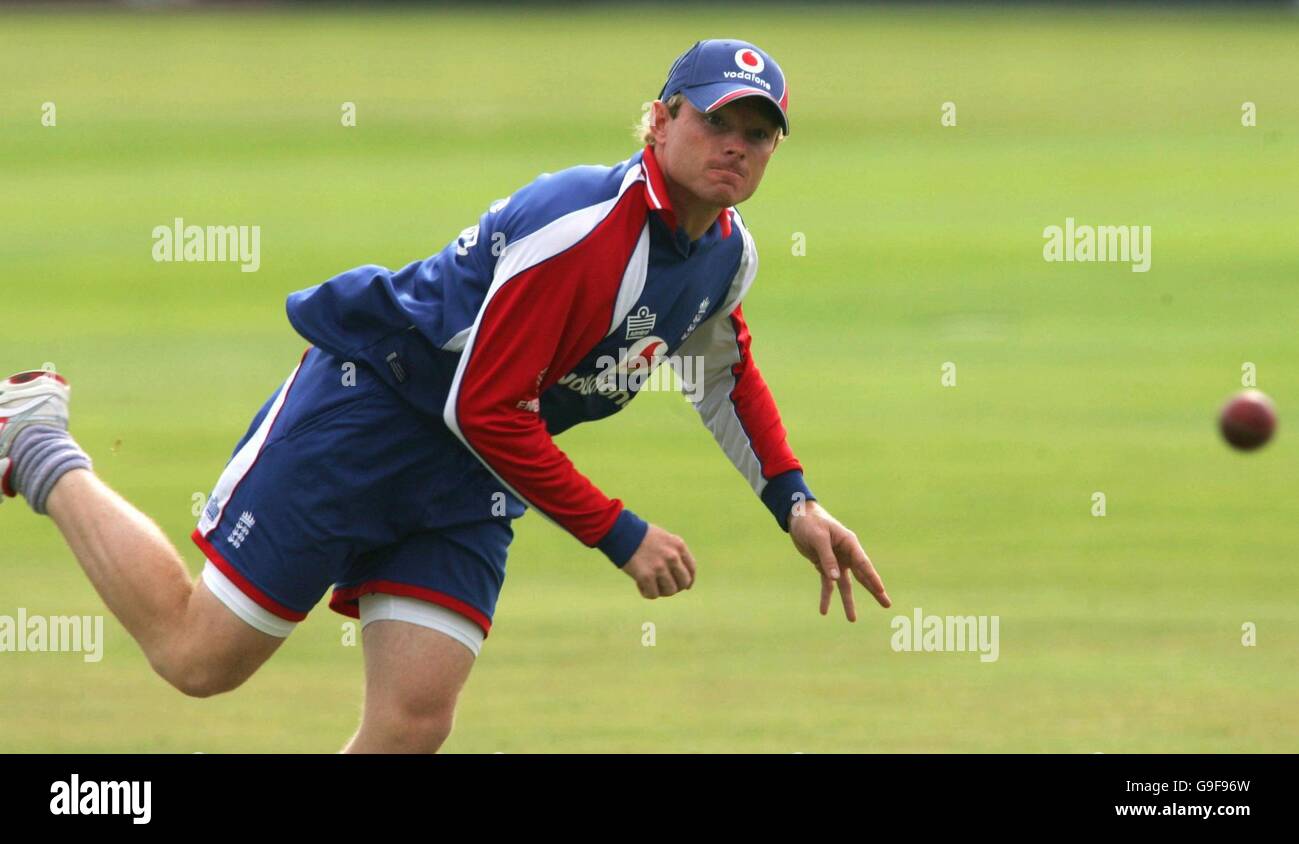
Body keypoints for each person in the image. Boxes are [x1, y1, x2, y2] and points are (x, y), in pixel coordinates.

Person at [0, 38, 891, 753]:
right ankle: (38, 441)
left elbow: (721, 369)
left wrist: (794, 501)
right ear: (660, 121)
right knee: (201, 659)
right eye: (714, 119)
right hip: (373, 412)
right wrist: (618, 532)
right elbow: (486, 407)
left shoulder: (727, 252)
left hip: (472, 470)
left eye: (758, 129)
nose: (735, 143)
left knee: (414, 720)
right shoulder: (582, 230)